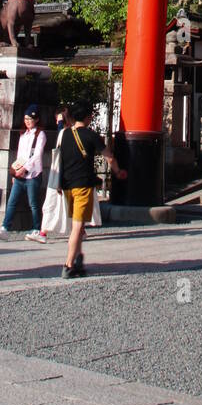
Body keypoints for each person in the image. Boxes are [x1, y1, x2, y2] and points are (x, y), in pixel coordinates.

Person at [58, 100, 126, 280]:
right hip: (82, 185)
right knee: (77, 226)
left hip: (67, 185)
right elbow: (109, 157)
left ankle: (78, 259)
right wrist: (118, 172)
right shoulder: (91, 136)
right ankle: (68, 265)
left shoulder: (64, 134)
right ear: (88, 117)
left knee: (77, 225)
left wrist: (59, 182)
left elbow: (61, 160)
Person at [0, 105, 47, 241]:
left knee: (33, 203)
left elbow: (37, 155)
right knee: (12, 201)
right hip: (20, 174)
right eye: (26, 119)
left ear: (37, 120)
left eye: (31, 119)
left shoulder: (40, 134)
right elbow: (20, 154)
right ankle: (5, 227)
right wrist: (16, 171)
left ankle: (36, 229)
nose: (28, 121)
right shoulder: (23, 134)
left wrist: (25, 168)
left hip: (33, 174)